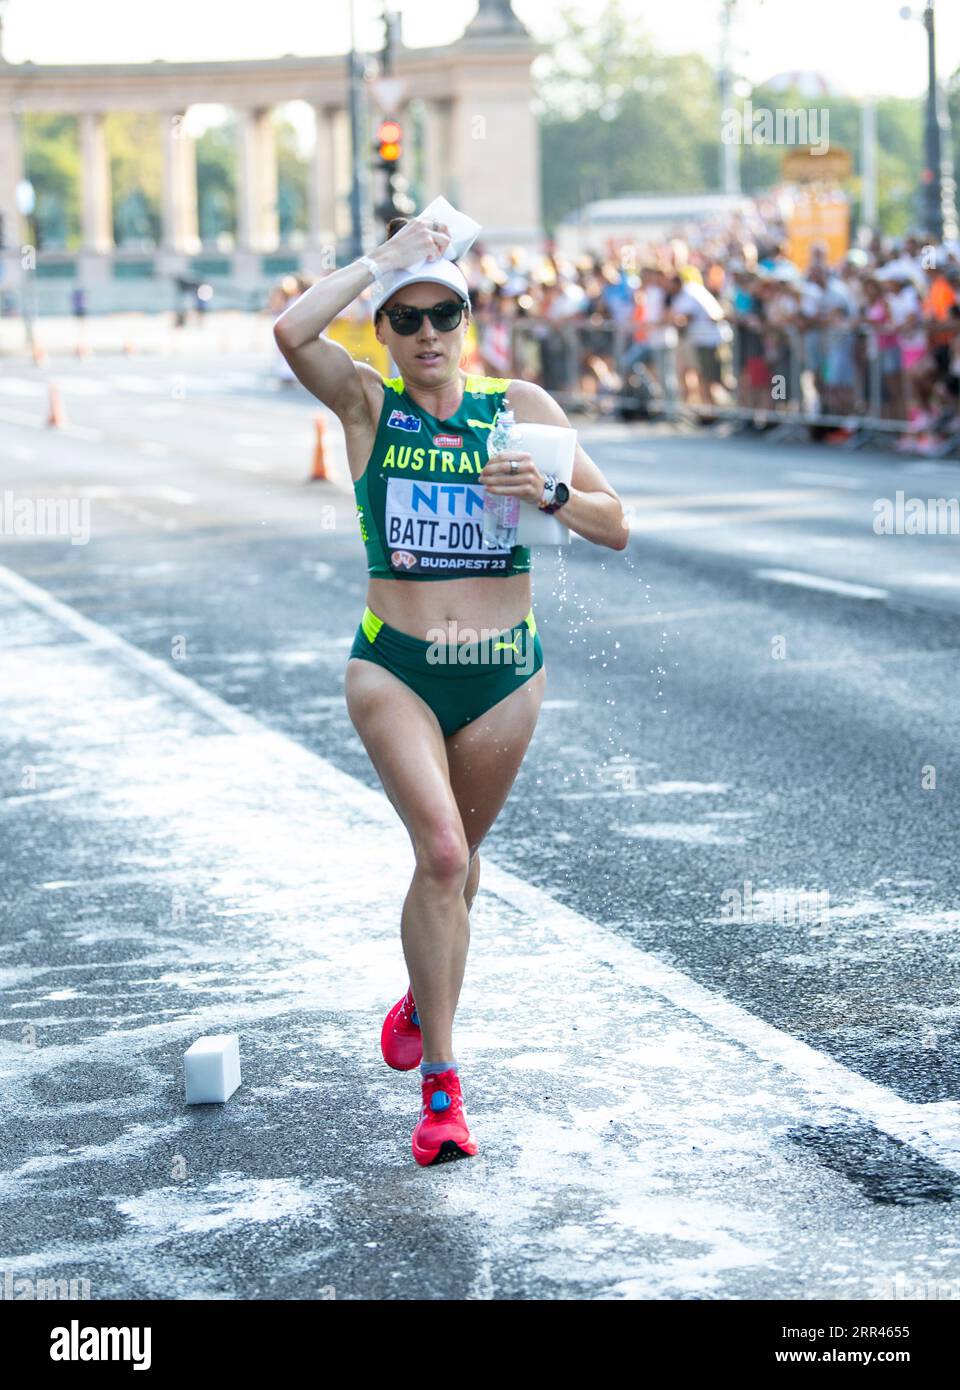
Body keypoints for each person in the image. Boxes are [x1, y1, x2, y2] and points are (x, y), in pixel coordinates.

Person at [273, 214, 627, 1167]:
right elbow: (291, 334)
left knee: (460, 863)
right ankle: (442, 1090)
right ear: (383, 332)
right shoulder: (367, 410)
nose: (428, 334)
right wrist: (378, 264)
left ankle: (423, 988)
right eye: (407, 318)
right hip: (395, 668)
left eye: (446, 315)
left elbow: (617, 523)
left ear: (468, 321)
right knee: (439, 855)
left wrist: (549, 496)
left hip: (503, 674)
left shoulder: (519, 409)